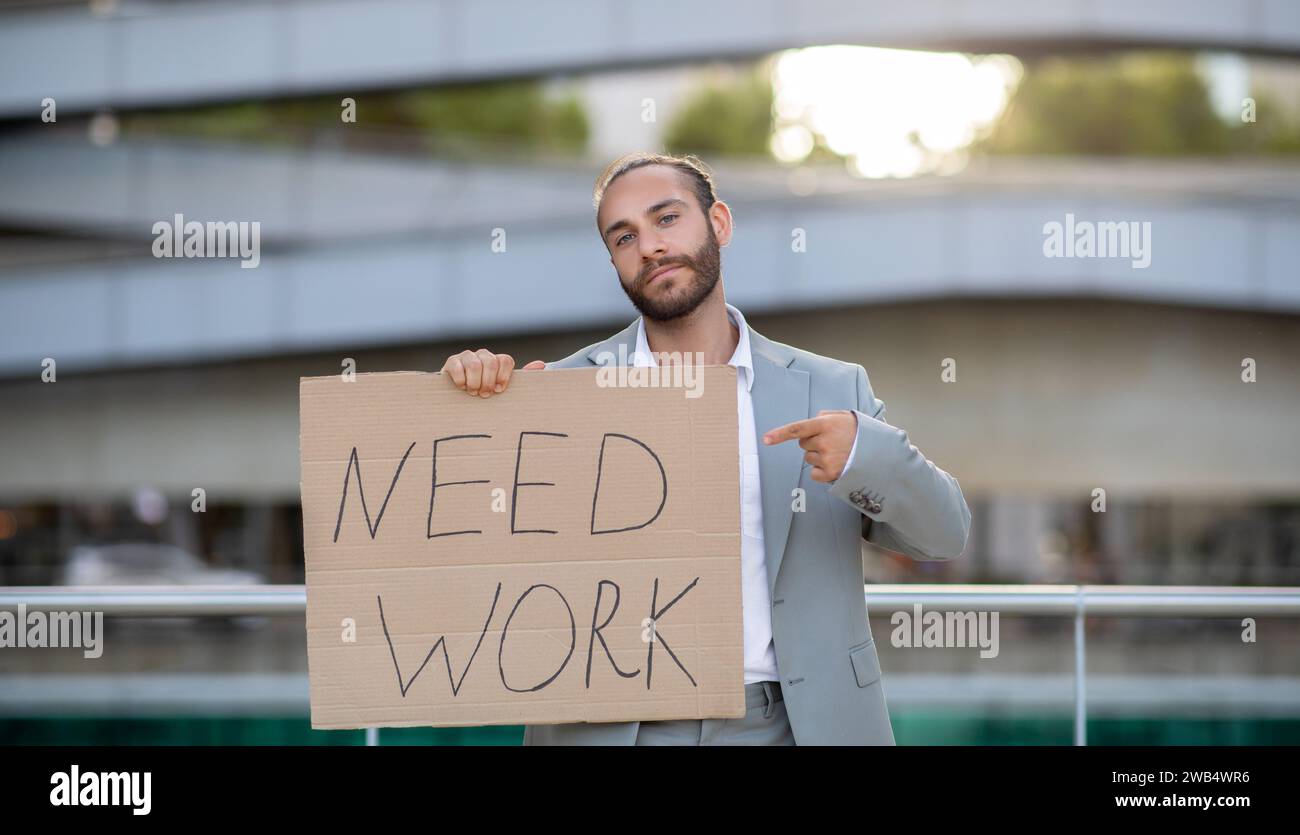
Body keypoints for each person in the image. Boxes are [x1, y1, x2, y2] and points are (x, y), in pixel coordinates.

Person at [439, 152, 971, 745]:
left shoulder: (830, 389)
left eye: (667, 219)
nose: (649, 247)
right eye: (624, 237)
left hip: (791, 725)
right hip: (617, 728)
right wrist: (471, 407)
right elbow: (469, 559)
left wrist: (863, 456)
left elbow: (945, 535)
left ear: (718, 223)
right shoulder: (560, 393)